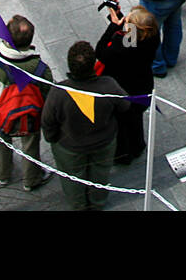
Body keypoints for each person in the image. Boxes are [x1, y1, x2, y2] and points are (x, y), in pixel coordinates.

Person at [40, 41, 129, 210]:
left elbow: (47, 121)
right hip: (104, 142)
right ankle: (98, 202)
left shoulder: (59, 92)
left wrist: (52, 138)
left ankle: (78, 205)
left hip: (70, 146)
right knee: (101, 174)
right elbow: (125, 105)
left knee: (72, 178)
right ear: (93, 64)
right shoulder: (108, 85)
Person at [0, 14, 51, 189]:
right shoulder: (39, 67)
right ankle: (31, 180)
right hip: (29, 116)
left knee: (0, 144)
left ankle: (4, 175)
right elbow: (47, 93)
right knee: (30, 147)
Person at [94, 2, 159, 165]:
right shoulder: (152, 36)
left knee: (121, 124)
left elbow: (100, 52)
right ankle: (137, 146)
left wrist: (113, 27)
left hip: (124, 91)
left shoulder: (121, 46)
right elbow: (134, 35)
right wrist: (119, 16)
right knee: (135, 119)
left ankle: (123, 155)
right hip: (143, 87)